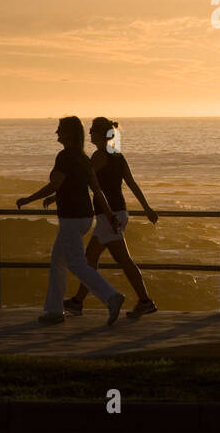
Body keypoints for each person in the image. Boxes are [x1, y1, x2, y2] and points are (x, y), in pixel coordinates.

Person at [17, 116, 125, 325]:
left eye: (59, 130)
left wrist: (29, 199)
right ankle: (54, 310)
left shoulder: (64, 157)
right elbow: (95, 190)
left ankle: (110, 296)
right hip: (85, 217)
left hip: (71, 219)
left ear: (69, 134)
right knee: (58, 261)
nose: (56, 133)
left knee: (76, 263)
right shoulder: (84, 158)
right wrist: (110, 215)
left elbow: (55, 184)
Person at [64, 117, 160, 319]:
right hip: (120, 213)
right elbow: (132, 184)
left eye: (91, 130)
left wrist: (58, 192)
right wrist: (147, 208)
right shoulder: (118, 155)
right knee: (104, 260)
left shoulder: (99, 156)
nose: (88, 133)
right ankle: (79, 301)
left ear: (99, 134)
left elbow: (82, 178)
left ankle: (143, 301)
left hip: (109, 216)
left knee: (98, 260)